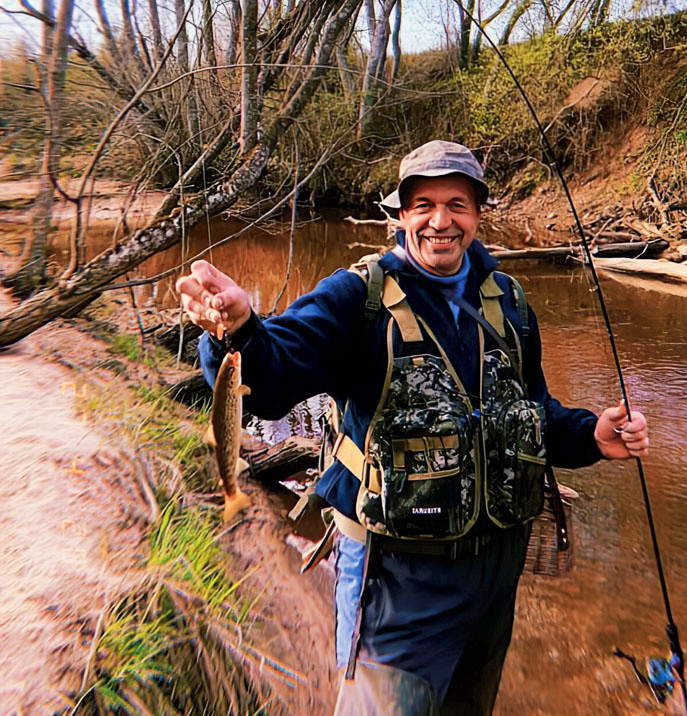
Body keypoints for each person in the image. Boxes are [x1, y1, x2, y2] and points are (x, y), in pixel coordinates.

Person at [176, 140, 649, 715]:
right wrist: (237, 329)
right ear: (400, 215)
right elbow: (274, 378)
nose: (440, 221)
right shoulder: (357, 299)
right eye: (423, 204)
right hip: (396, 582)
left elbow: (529, 413)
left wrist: (589, 434)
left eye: (458, 203)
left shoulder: (511, 301)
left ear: (478, 212)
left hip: (495, 580)